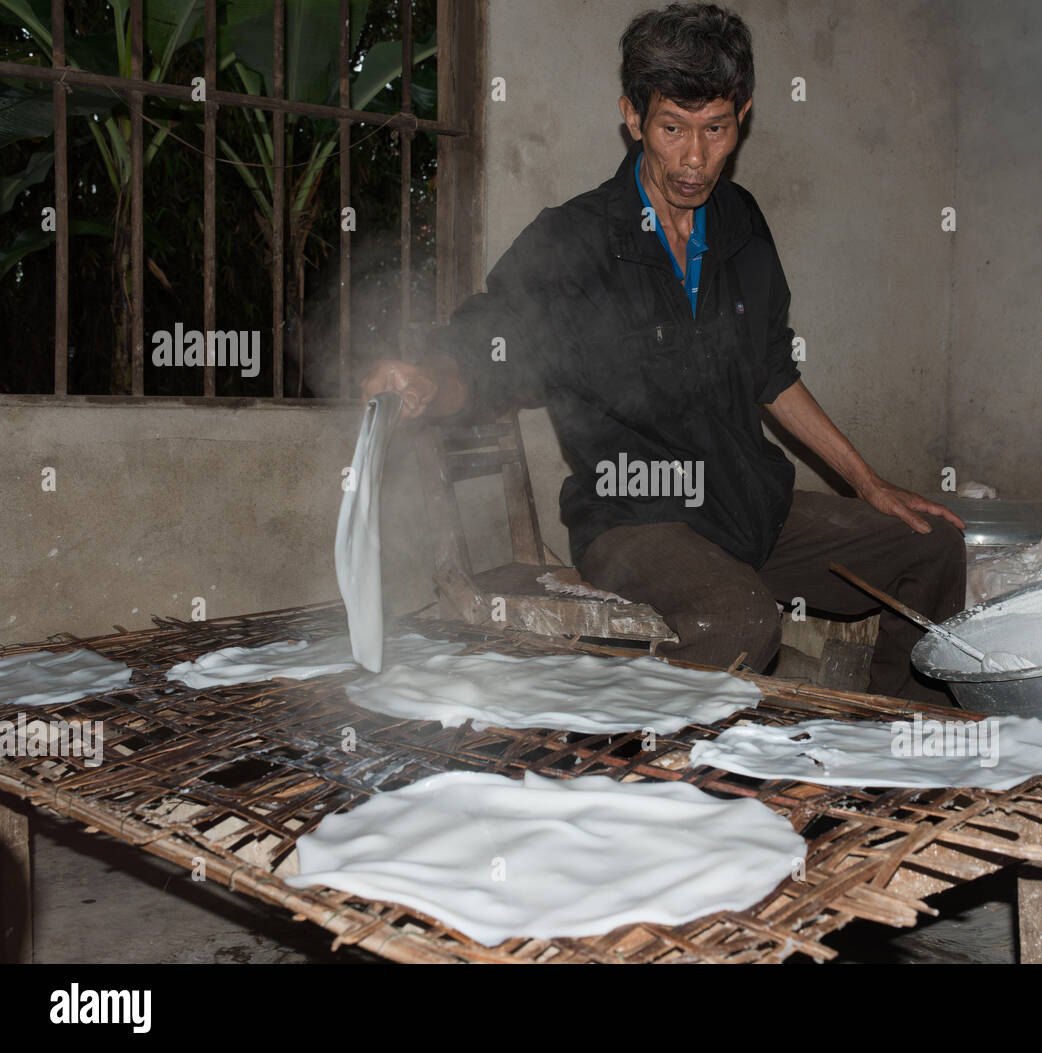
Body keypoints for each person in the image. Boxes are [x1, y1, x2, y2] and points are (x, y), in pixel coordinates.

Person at [363, 2, 966, 701]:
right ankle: (642, 773)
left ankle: (904, 741)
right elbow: (491, 341)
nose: (693, 157)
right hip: (634, 521)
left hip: (746, 506)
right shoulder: (574, 242)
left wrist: (870, 483)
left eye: (714, 129)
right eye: (672, 128)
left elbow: (773, 372)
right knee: (738, 618)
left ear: (741, 115)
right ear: (633, 117)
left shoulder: (741, 225)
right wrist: (431, 380)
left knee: (931, 544)